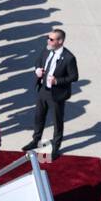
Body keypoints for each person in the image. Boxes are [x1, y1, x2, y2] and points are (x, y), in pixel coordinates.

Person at [20, 28, 79, 160]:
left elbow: (74, 76)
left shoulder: (69, 58)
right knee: (39, 117)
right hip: (43, 90)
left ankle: (56, 147)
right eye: (48, 38)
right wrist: (37, 70)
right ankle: (36, 140)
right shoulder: (47, 50)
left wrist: (57, 81)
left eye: (51, 39)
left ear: (60, 41)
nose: (48, 41)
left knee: (57, 121)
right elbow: (38, 62)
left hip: (56, 94)